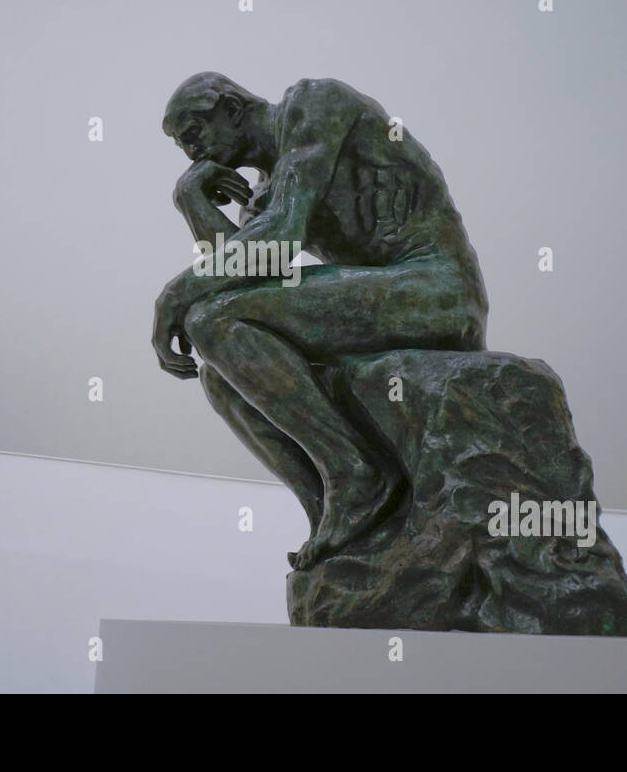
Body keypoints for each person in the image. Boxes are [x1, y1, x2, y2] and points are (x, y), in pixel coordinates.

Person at [153, 73, 489, 571]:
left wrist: (173, 297)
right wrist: (192, 201)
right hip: (384, 294)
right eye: (183, 145)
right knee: (220, 373)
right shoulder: (266, 194)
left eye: (194, 134)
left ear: (231, 107)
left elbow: (278, 240)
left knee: (213, 322)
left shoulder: (313, 106)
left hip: (435, 287)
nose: (191, 153)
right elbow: (246, 271)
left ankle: (357, 475)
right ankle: (335, 516)